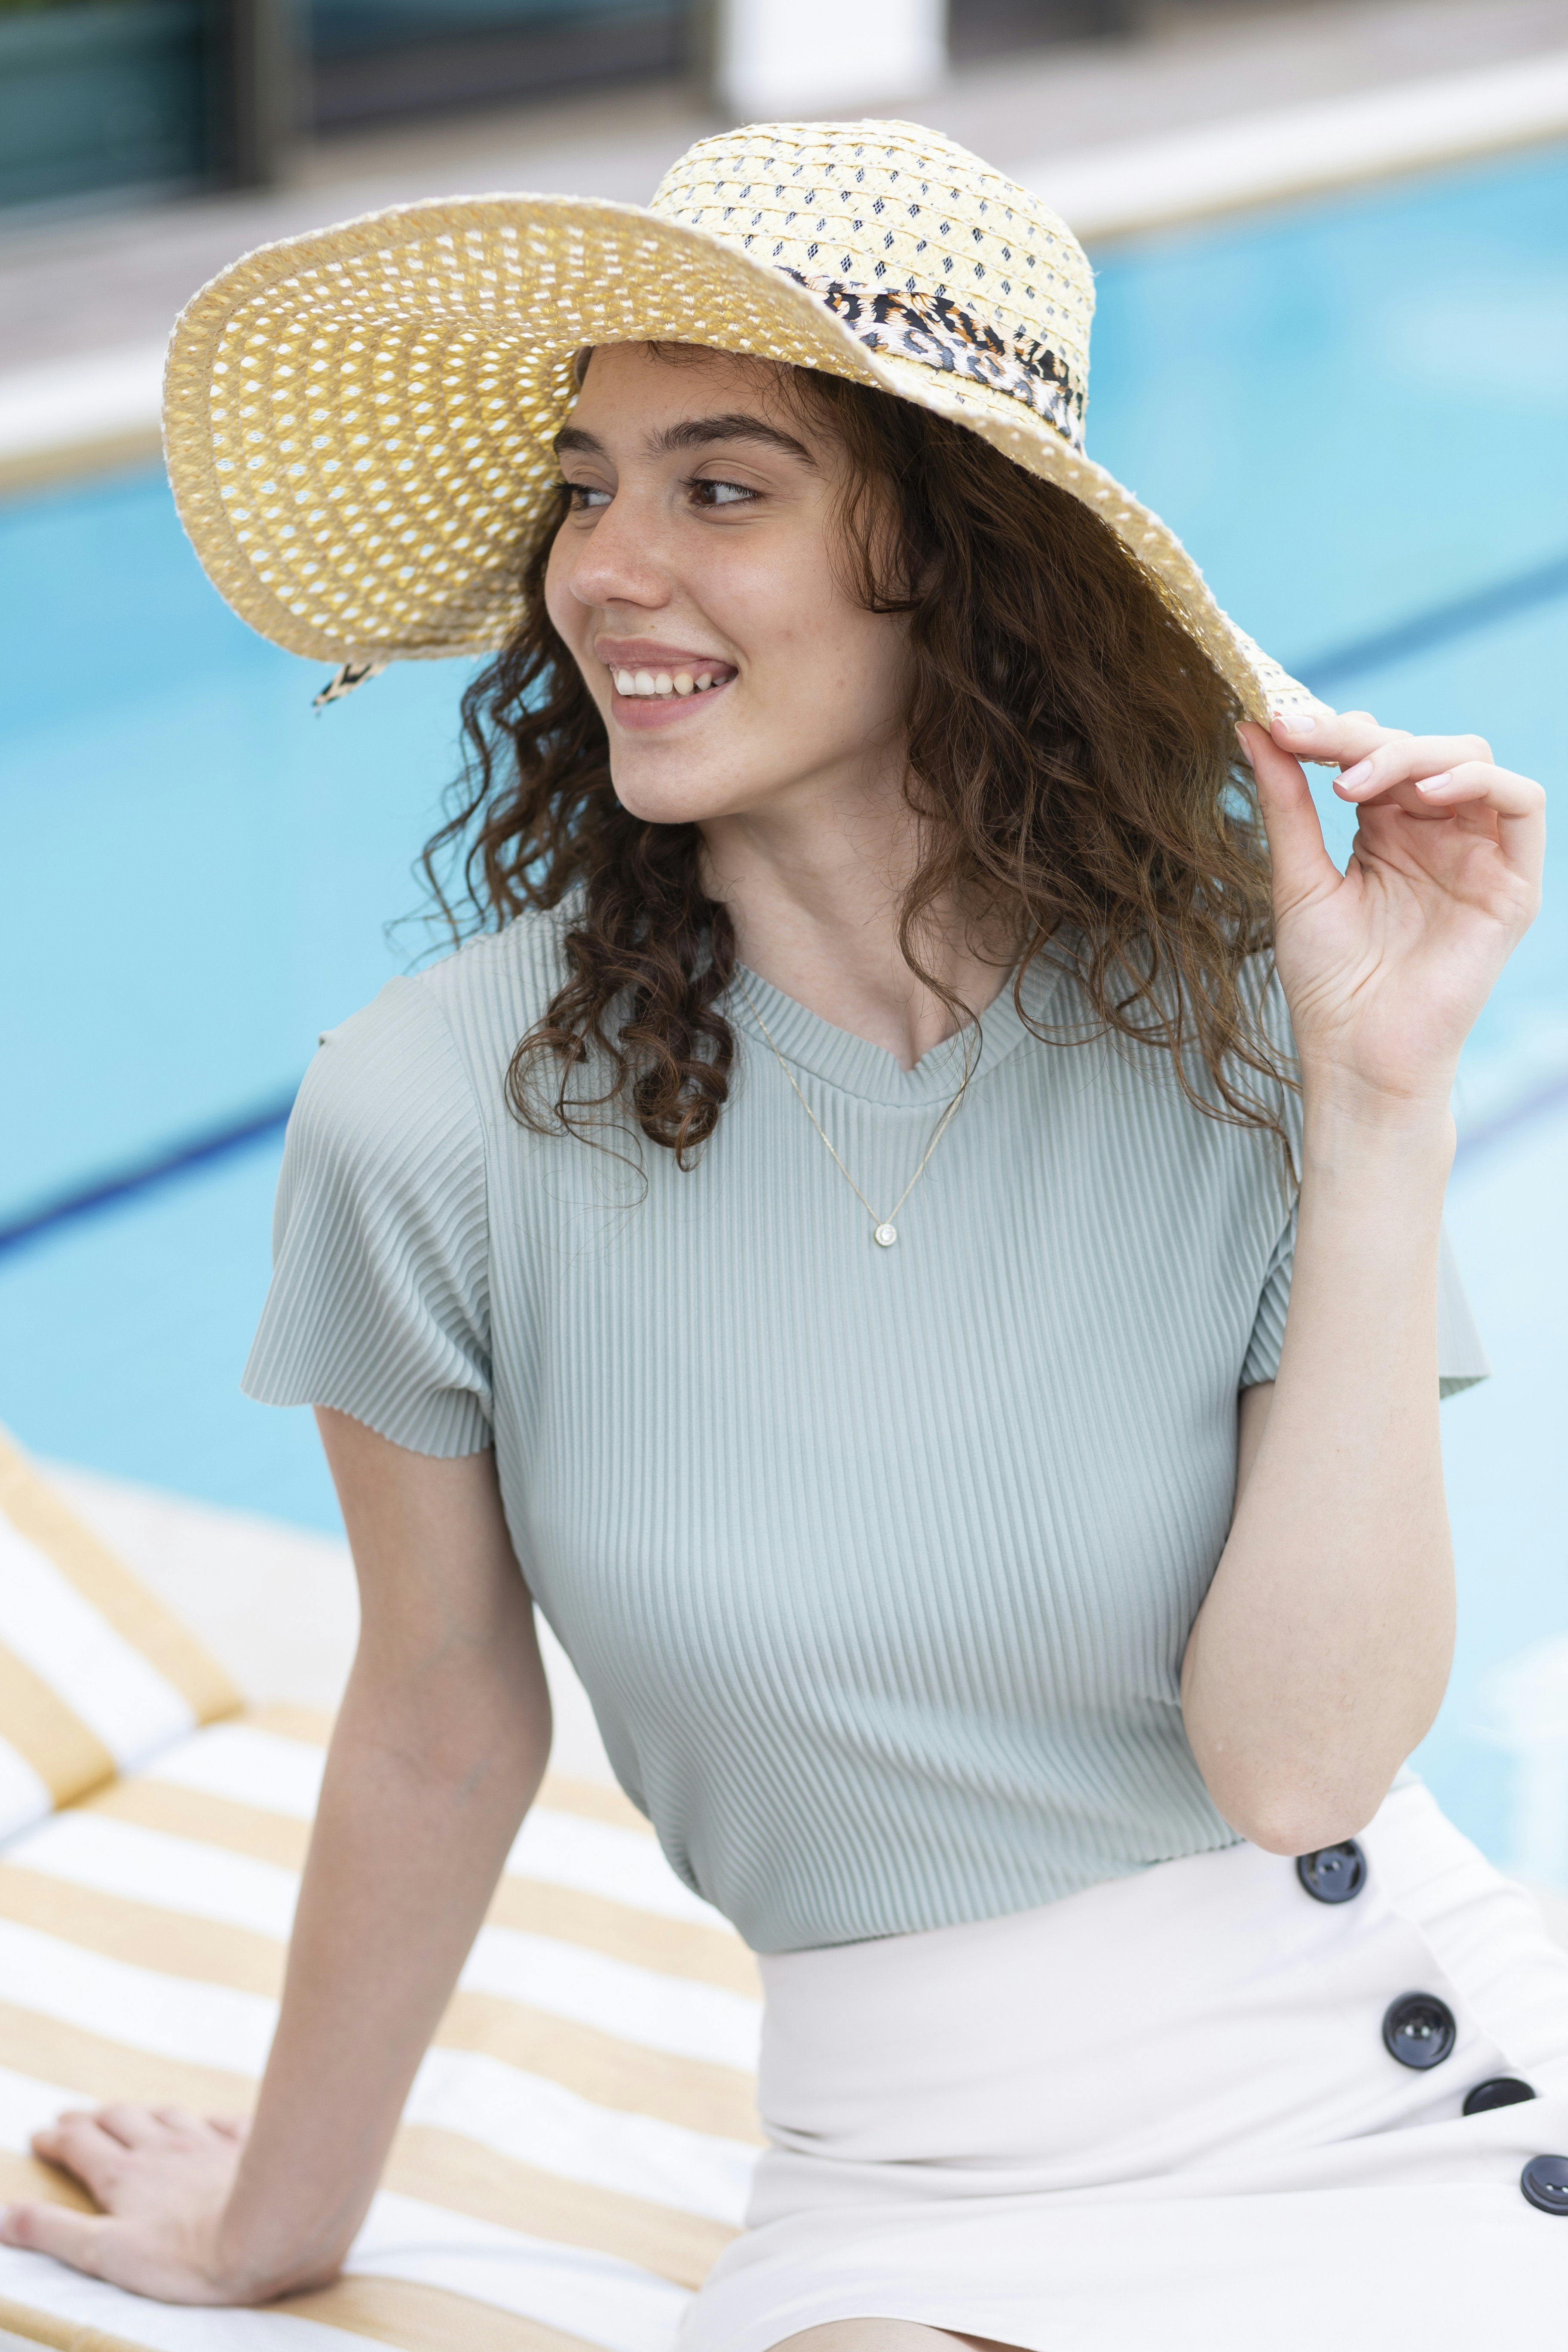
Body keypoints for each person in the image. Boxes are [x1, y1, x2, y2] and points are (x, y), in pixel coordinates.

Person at [5, 120, 1561, 2349]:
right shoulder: (427, 1113)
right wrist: (276, 2223)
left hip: (1405, 2088)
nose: (607, 567)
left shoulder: (1249, 1034)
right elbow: (443, 1723)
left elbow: (1301, 1766)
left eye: (719, 489)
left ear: (956, 556)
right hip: (913, 2189)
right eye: (583, 482)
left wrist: (1385, 1113)